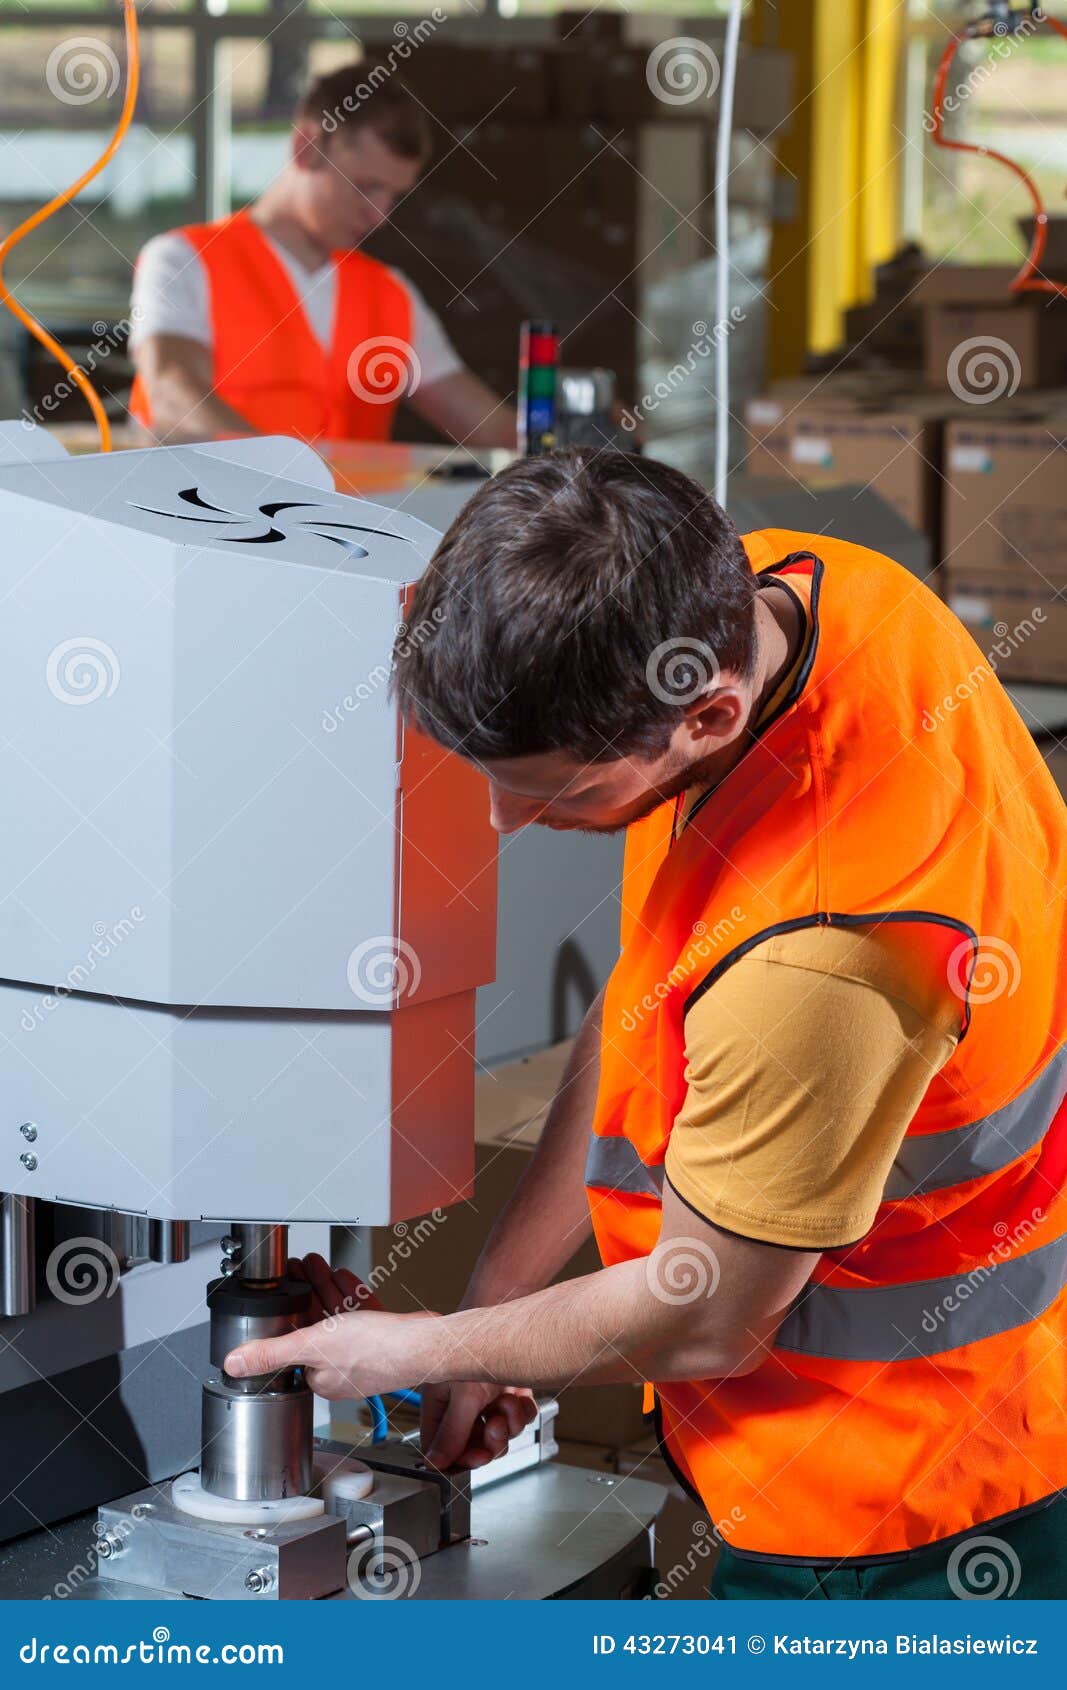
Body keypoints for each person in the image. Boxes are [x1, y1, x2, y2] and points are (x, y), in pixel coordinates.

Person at [224, 449, 1067, 1599]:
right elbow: (654, 1016)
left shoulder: (826, 966)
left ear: (707, 712)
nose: (505, 822)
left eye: (555, 789)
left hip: (896, 1499)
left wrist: (412, 1349)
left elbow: (708, 1312)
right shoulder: (795, 594)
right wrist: (494, 1314)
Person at [127, 60, 515, 449]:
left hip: (350, 511)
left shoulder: (391, 295)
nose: (379, 216)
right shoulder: (184, 260)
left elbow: (490, 428)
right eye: (365, 187)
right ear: (306, 147)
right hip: (205, 508)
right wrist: (283, 476)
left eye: (393, 197)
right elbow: (172, 396)